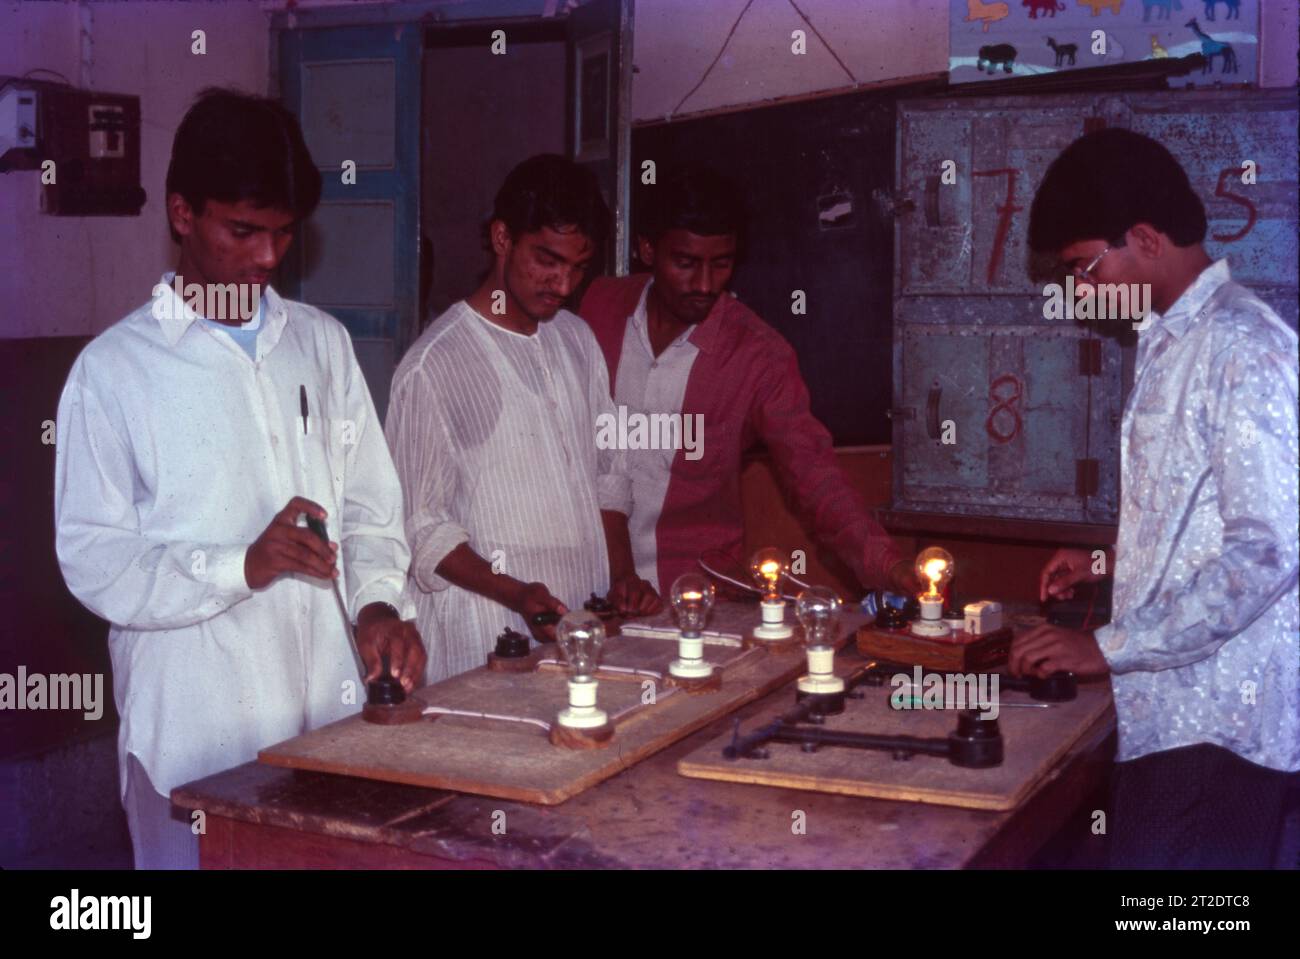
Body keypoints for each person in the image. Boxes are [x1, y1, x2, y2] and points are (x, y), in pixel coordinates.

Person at [54, 88, 425, 869]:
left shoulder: (320, 344)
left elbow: (369, 503)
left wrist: (379, 601)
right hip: (191, 740)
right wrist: (239, 565)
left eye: (284, 234)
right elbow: (96, 559)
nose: (266, 257)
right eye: (244, 230)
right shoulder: (114, 372)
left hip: (325, 725)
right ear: (182, 213)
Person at [1012, 128, 1298, 869]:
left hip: (1218, 727)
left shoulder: (1244, 347)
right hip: (1171, 715)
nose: (1078, 289)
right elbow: (1194, 524)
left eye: (1082, 266)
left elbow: (1267, 553)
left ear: (1143, 237)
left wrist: (1103, 645)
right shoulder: (1170, 337)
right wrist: (1105, 564)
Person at [577, 166, 915, 596]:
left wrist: (888, 565)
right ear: (646, 248)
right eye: (685, 263)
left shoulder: (759, 357)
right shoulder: (598, 307)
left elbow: (815, 475)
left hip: (693, 600)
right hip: (582, 583)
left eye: (721, 265)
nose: (704, 284)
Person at [387, 155, 659, 682]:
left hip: (582, 629)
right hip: (486, 633)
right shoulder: (434, 364)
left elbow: (609, 475)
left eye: (579, 268)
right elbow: (423, 527)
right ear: (502, 237)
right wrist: (517, 594)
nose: (561, 283)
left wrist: (623, 576)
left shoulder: (576, 340)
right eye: (547, 259)